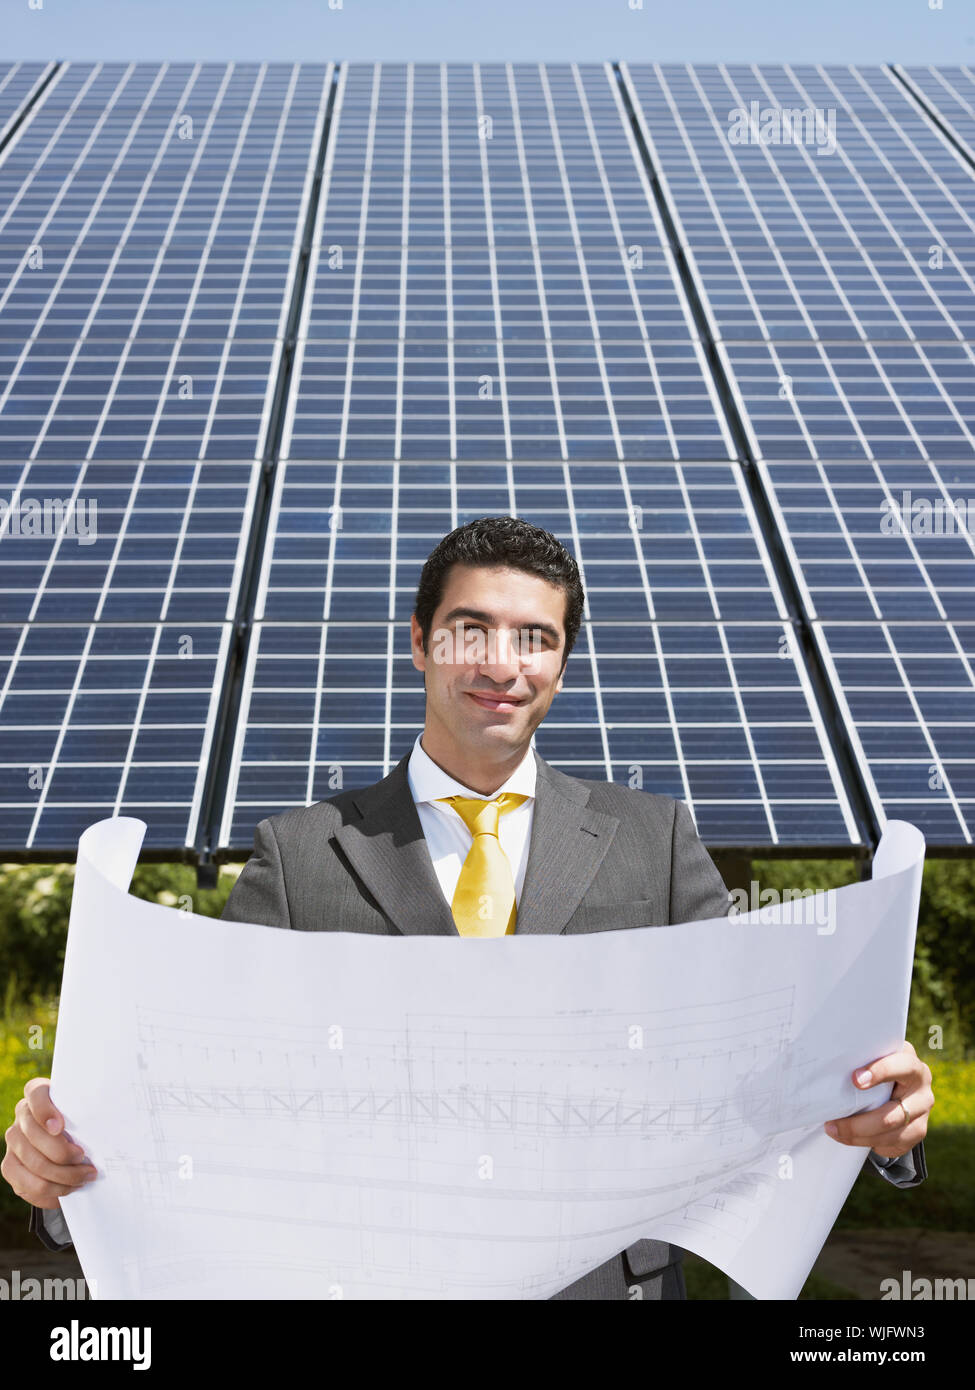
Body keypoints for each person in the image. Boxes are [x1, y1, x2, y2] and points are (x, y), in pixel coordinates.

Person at [3, 516, 934, 1300]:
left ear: (563, 662)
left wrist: (878, 1126)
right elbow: (201, 1096)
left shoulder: (653, 841)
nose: (502, 663)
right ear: (419, 642)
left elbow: (750, 1069)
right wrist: (63, 1176)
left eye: (536, 637)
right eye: (470, 629)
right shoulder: (299, 854)